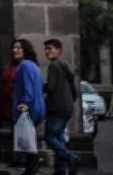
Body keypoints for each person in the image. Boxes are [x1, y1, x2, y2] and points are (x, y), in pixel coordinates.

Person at [43, 38, 80, 174]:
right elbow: (74, 90)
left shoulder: (54, 65)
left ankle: (71, 157)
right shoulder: (65, 65)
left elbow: (51, 86)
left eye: (50, 49)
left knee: (50, 137)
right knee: (58, 137)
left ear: (59, 50)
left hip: (56, 107)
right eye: (46, 49)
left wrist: (39, 88)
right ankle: (60, 169)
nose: (47, 52)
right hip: (67, 107)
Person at [11, 38, 46, 174]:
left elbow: (28, 89)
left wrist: (25, 103)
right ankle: (30, 168)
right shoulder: (34, 66)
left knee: (27, 139)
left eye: (19, 48)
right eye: (14, 48)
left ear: (26, 50)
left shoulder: (24, 66)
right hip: (37, 107)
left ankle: (33, 165)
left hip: (28, 106)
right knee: (30, 137)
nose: (15, 50)